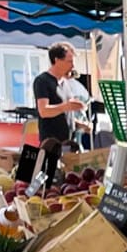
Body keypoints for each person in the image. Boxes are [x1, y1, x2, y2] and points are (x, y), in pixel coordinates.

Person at [17, 42, 75, 185]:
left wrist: (80, 124)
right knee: (45, 183)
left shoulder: (65, 83)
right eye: (69, 61)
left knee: (64, 183)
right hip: (50, 144)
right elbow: (43, 111)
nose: (72, 66)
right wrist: (67, 106)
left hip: (66, 144)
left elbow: (63, 112)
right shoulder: (42, 81)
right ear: (57, 60)